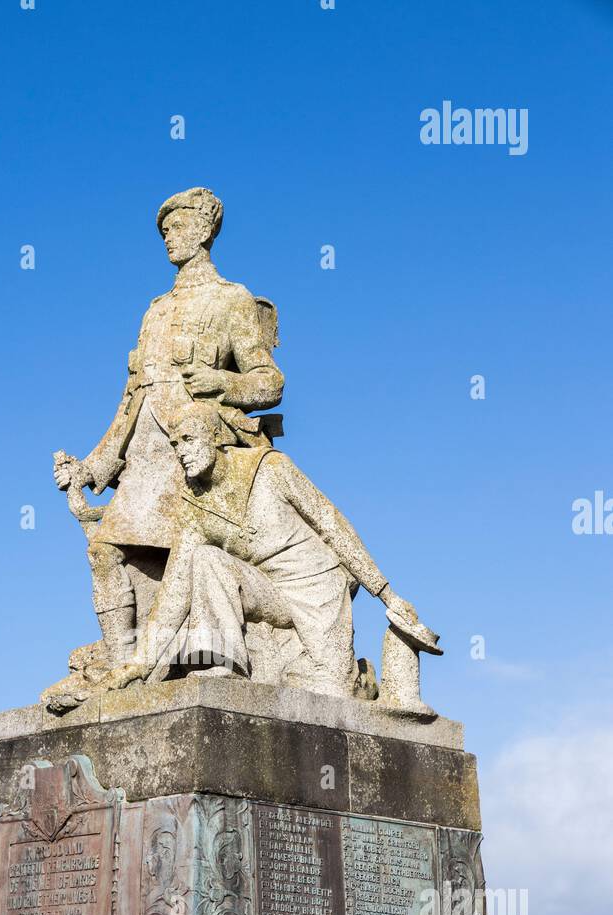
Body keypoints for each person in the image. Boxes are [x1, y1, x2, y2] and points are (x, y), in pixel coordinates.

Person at [53, 187, 284, 665]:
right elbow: (133, 395)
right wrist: (94, 465)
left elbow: (269, 383)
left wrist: (221, 380)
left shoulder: (232, 300)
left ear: (203, 231)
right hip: (143, 458)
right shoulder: (154, 308)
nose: (168, 239)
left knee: (187, 561)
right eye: (164, 232)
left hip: (195, 455)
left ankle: (170, 660)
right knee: (103, 551)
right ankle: (121, 667)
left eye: (177, 228)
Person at [101, 400, 435, 698]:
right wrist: (140, 664)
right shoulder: (194, 507)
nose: (180, 451)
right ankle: (222, 666)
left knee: (329, 697)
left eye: (188, 440)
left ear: (217, 437)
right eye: (174, 443)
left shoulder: (271, 468)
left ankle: (359, 677)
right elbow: (174, 590)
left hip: (317, 587)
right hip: (267, 590)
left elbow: (333, 526)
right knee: (204, 559)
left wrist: (387, 594)